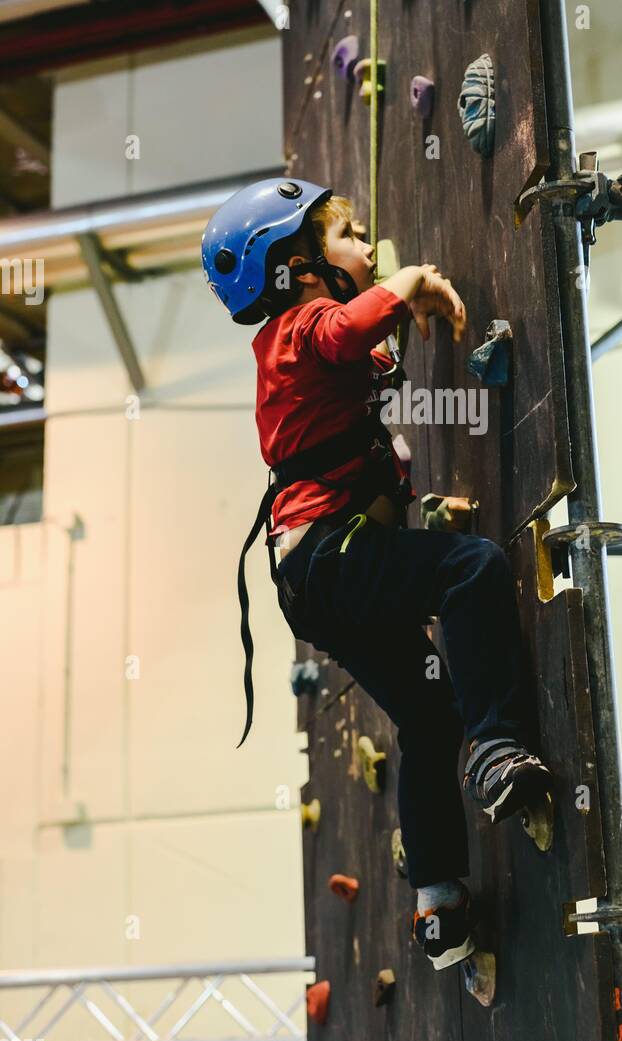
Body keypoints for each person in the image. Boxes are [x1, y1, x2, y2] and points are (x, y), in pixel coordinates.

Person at [202, 177, 555, 970]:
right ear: (299, 271)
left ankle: (438, 904)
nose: (366, 245)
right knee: (471, 569)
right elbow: (349, 329)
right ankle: (497, 749)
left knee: (427, 718)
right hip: (330, 554)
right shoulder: (301, 327)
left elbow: (362, 346)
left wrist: (394, 310)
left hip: (316, 583)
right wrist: (412, 281)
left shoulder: (305, 336)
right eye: (350, 236)